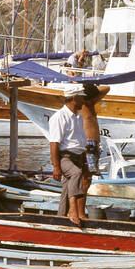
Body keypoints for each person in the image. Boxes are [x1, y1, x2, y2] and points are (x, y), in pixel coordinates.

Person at [48, 84, 90, 226]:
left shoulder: (78, 117)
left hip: (78, 157)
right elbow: (54, 143)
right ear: (74, 98)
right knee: (75, 173)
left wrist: (85, 163)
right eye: (81, 98)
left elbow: (79, 142)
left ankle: (60, 218)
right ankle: (73, 210)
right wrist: (56, 167)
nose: (83, 101)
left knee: (66, 190)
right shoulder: (59, 117)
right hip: (64, 157)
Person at [79, 80, 111, 175]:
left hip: (94, 145)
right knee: (88, 173)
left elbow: (107, 88)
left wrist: (92, 91)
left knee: (92, 172)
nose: (94, 99)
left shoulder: (91, 102)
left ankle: (86, 188)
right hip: (88, 145)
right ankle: (82, 189)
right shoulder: (81, 105)